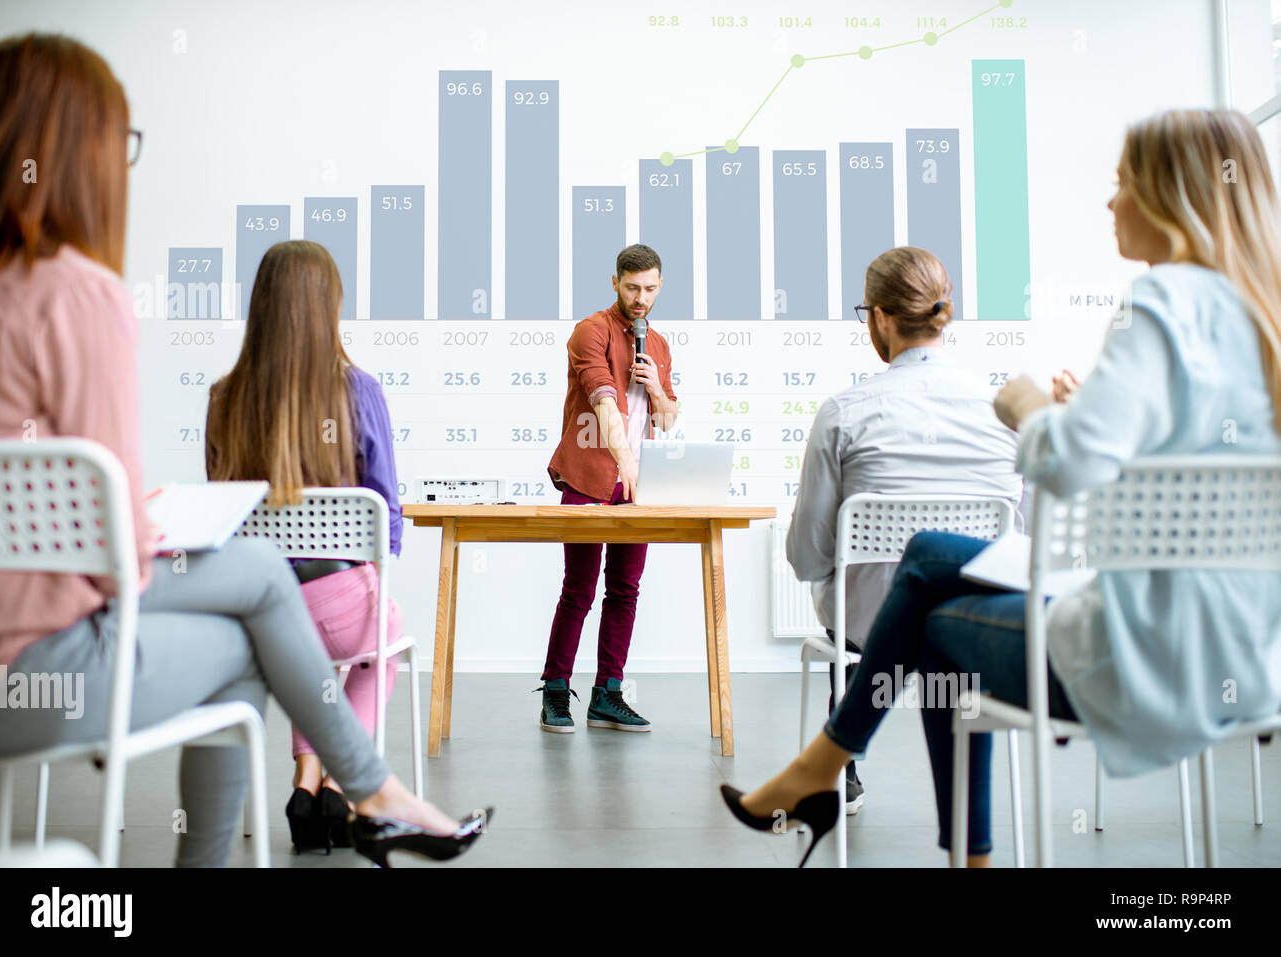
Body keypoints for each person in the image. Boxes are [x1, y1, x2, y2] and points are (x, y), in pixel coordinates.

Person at [721, 107, 1281, 866]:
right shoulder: (1256, 318)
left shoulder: (1161, 303)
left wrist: (1029, 409)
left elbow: (1071, 468)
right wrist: (1082, 417)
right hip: (1238, 653)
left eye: (1122, 184)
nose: (1110, 204)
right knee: (925, 562)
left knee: (926, 606)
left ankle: (850, 784)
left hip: (1139, 655)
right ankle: (834, 777)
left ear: (1169, 196)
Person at [0, 32, 488, 868]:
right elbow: (120, 564)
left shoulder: (220, 390)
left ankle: (359, 790)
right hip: (42, 672)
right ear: (76, 153)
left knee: (255, 576)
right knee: (253, 612)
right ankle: (372, 790)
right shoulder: (76, 293)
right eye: (118, 142)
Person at [786, 246, 1022, 813]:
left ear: (881, 319)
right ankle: (972, 808)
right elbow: (1023, 538)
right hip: (974, 620)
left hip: (868, 627)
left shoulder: (844, 412)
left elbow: (808, 558)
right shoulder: (1004, 413)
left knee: (845, 598)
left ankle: (840, 766)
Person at [205, 240, 407, 852]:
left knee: (306, 651)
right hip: (339, 599)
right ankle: (336, 788)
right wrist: (372, 571)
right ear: (330, 307)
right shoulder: (359, 389)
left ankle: (305, 776)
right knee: (381, 643)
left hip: (258, 612)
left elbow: (222, 511)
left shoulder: (224, 397)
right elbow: (386, 511)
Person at [539, 244, 679, 732]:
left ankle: (608, 694)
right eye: (632, 287)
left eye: (650, 289)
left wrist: (658, 388)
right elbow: (603, 401)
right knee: (578, 588)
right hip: (591, 477)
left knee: (625, 589)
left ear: (660, 287)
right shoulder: (590, 331)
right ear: (615, 282)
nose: (641, 298)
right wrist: (626, 464)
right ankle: (556, 691)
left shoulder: (657, 345)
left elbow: (668, 417)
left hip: (637, 486)